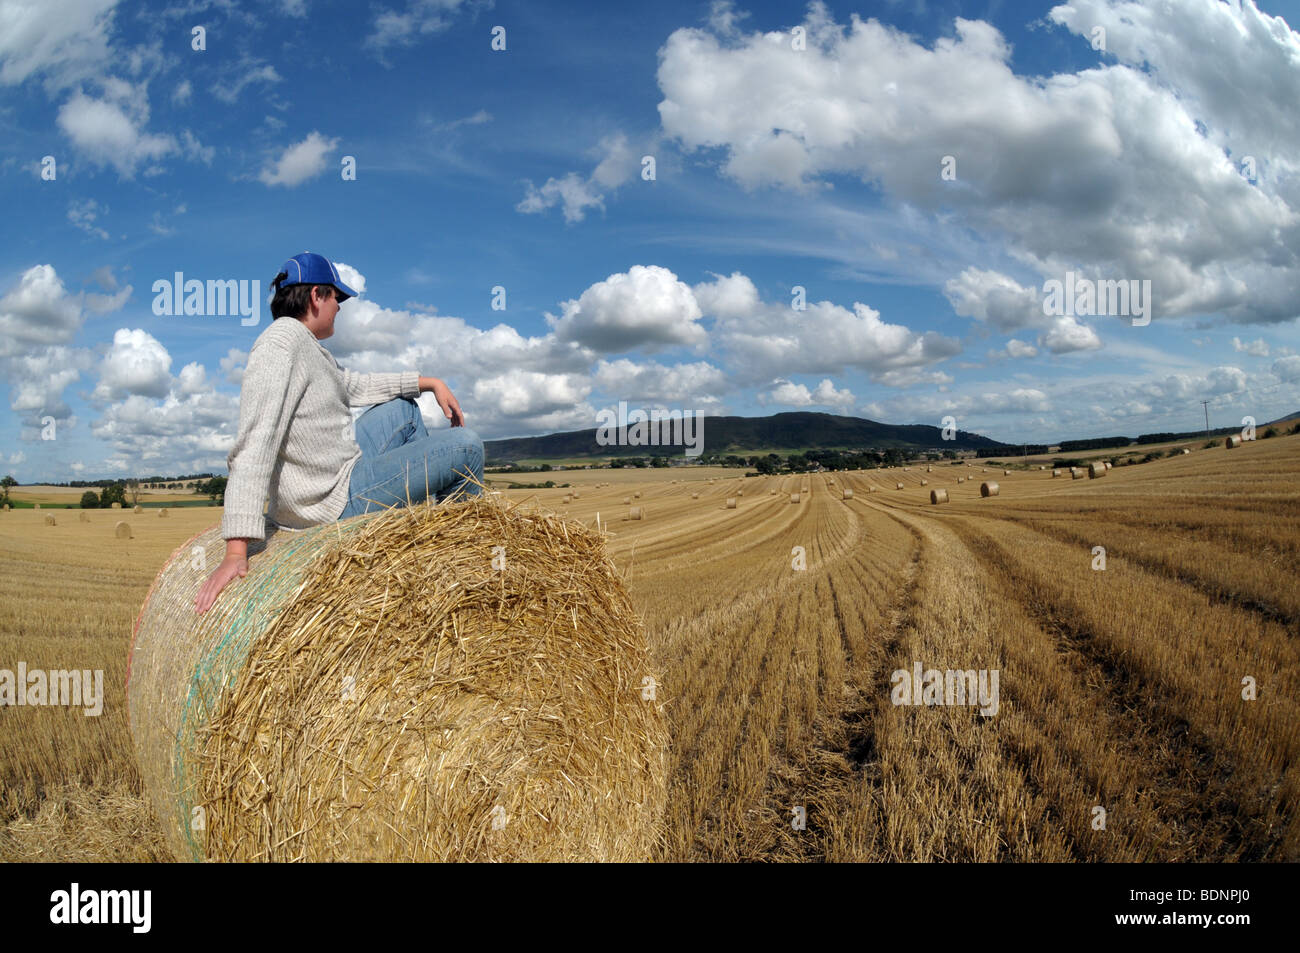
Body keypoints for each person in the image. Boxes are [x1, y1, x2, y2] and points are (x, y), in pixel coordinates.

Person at [194, 252, 483, 614]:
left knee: (404, 410)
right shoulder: (279, 345)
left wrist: (427, 383)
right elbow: (256, 440)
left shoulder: (310, 349)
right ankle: (466, 563)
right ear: (316, 295)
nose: (340, 308)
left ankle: (422, 536)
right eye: (337, 297)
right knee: (467, 448)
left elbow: (355, 385)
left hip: (338, 472)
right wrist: (236, 550)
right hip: (332, 502)